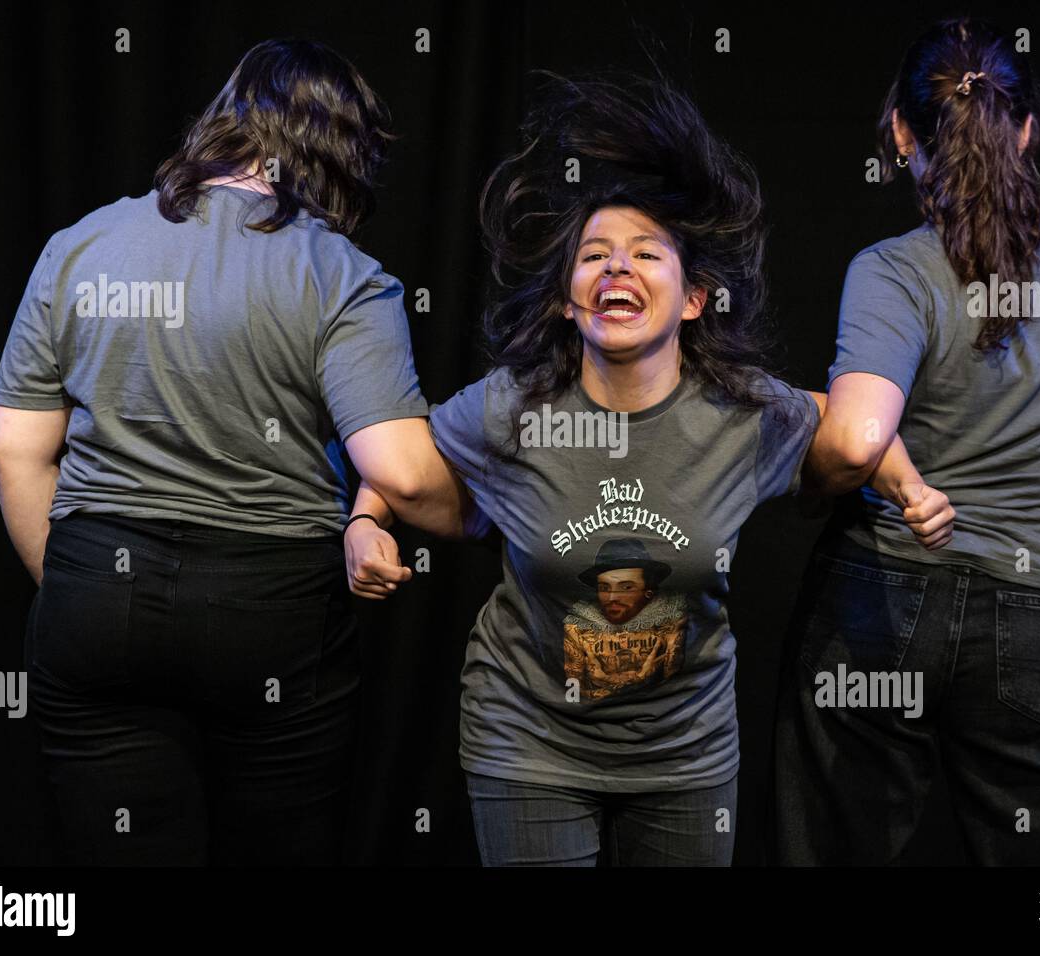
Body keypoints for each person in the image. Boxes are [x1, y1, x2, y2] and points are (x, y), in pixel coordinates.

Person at [342, 71, 955, 866]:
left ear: (696, 298)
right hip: (528, 742)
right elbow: (403, 451)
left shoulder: (743, 413)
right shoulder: (512, 407)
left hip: (685, 757)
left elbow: (853, 420)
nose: (616, 270)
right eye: (593, 256)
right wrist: (364, 519)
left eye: (644, 255)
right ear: (567, 300)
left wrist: (907, 485)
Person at [0, 38, 445, 864]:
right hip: (270, 611)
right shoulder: (339, 274)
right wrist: (488, 514)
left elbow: (12, 449)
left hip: (97, 596)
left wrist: (78, 584)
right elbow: (404, 472)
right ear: (332, 147)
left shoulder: (81, 246)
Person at [773, 17, 1040, 866]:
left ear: (902, 134)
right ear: (1026, 129)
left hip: (885, 601)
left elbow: (851, 442)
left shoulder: (891, 271)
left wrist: (819, 476)